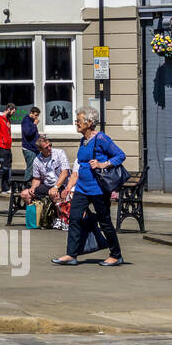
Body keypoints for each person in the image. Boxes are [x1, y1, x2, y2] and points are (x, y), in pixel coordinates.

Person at [51, 106, 125, 266]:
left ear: (90, 122)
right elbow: (80, 165)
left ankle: (116, 254)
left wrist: (103, 164)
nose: (76, 123)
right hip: (82, 188)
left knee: (105, 222)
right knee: (74, 218)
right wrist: (71, 186)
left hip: (98, 188)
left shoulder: (102, 139)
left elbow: (120, 155)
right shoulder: (83, 140)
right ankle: (71, 255)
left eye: (79, 120)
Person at [23, 135, 71, 206]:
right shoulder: (37, 160)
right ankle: (35, 215)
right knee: (25, 194)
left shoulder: (60, 153)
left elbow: (65, 173)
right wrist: (33, 188)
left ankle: (59, 216)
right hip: (47, 185)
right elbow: (37, 178)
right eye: (46, 147)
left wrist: (56, 187)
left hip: (61, 185)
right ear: (40, 150)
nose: (49, 148)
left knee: (54, 194)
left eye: (50, 145)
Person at [21, 106, 41, 176]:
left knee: (37, 167)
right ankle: (27, 184)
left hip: (34, 148)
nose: (37, 117)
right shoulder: (26, 121)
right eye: (35, 115)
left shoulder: (31, 121)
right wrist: (34, 125)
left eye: (38, 115)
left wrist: (39, 136)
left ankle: (34, 184)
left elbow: (33, 134)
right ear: (31, 113)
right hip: (29, 149)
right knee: (30, 169)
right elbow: (28, 133)